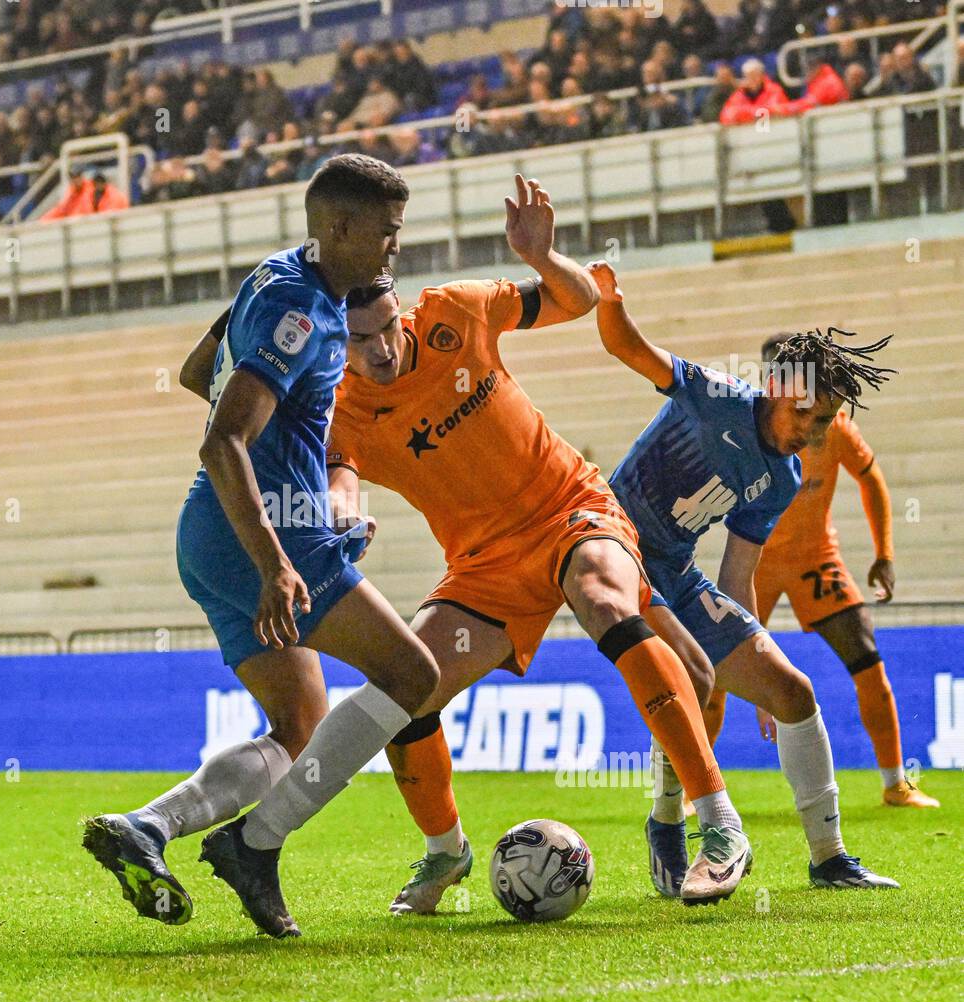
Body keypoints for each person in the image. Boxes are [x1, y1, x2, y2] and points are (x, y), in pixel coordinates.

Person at [177, 176, 755, 914]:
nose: (382, 349)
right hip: (484, 567)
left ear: (406, 310)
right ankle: (445, 853)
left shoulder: (459, 310)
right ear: (335, 343)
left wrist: (545, 258)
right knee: (405, 691)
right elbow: (340, 479)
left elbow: (576, 301)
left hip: (572, 508)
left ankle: (721, 829)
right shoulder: (342, 409)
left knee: (604, 599)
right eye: (360, 342)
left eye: (391, 328)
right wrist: (344, 516)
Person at [82, 155, 438, 939]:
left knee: (299, 724)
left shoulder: (274, 277)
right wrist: (280, 559)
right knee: (413, 673)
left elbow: (194, 372)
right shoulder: (303, 311)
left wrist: (309, 499)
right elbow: (223, 441)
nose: (394, 247)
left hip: (212, 532)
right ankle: (251, 847)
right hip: (264, 539)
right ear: (340, 227)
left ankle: (149, 826)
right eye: (386, 232)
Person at [589, 260, 901, 892]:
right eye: (806, 417)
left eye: (823, 425)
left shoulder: (782, 478)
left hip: (674, 574)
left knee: (792, 692)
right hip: (613, 556)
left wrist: (745, 644)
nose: (811, 436)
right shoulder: (713, 396)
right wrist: (608, 299)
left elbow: (738, 570)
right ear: (778, 387)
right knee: (694, 682)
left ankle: (829, 858)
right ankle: (672, 823)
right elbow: (628, 347)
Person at [703, 334, 938, 809]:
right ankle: (696, 787)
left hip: (817, 560)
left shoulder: (835, 427)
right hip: (756, 561)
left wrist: (885, 552)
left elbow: (871, 477)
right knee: (711, 670)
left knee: (867, 660)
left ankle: (896, 784)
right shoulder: (742, 427)